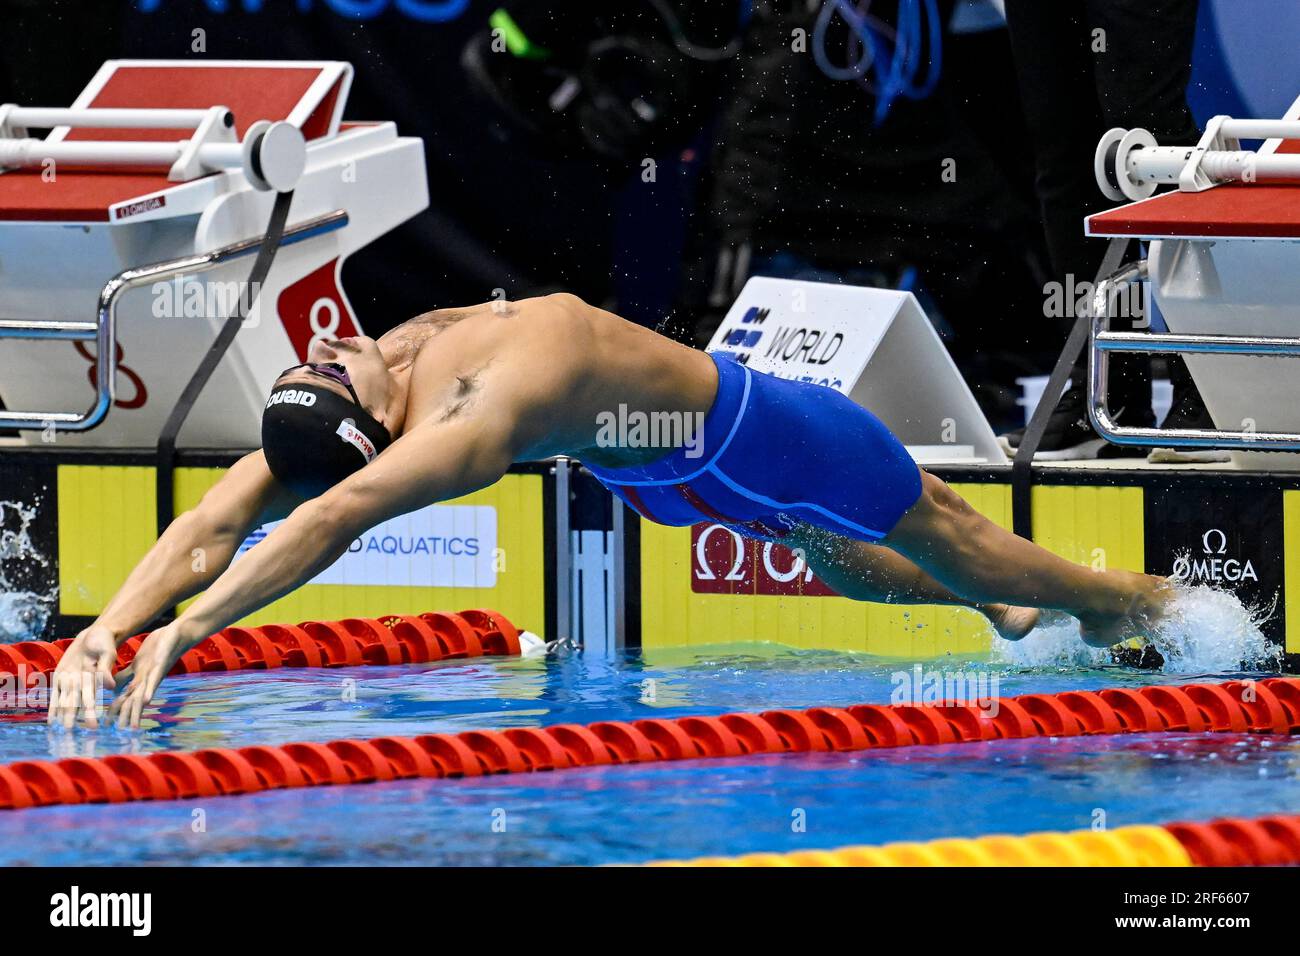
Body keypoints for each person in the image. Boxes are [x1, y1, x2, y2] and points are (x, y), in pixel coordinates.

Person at [47, 294, 1169, 728]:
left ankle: (1078, 612)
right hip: (704, 449)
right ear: (367, 420)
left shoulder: (422, 372)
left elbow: (271, 513)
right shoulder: (449, 418)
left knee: (876, 548)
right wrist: (143, 624)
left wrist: (146, 628)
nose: (331, 344)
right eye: (329, 367)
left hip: (700, 449)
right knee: (916, 538)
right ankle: (1110, 605)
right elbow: (282, 518)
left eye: (325, 352)